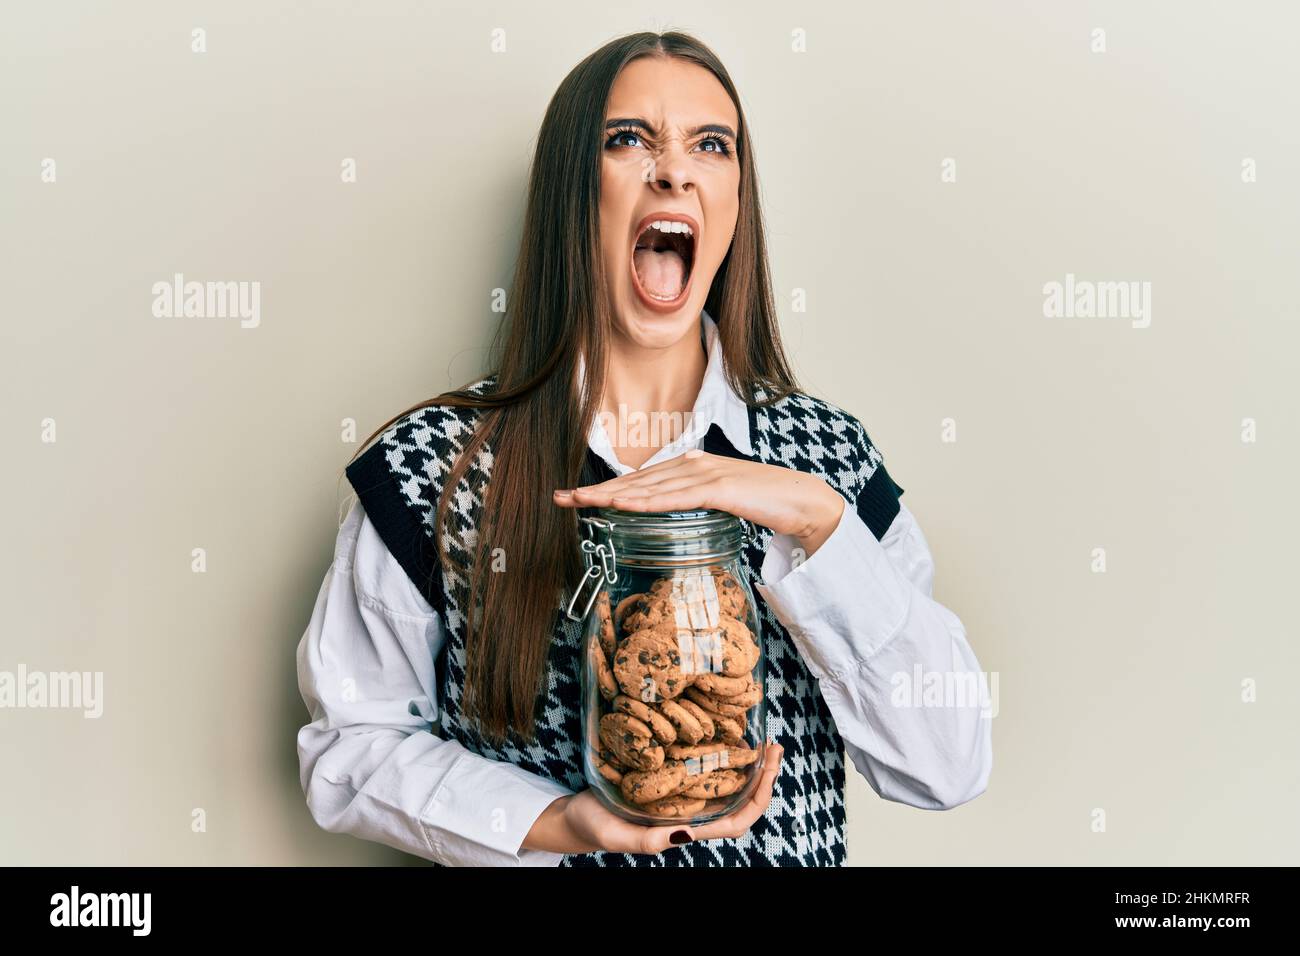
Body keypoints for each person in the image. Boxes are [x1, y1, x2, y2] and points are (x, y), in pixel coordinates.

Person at [296, 30, 992, 867]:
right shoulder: (432, 466)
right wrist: (557, 821)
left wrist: (815, 521)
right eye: (628, 140)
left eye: (711, 144)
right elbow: (350, 750)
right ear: (571, 192)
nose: (674, 171)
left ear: (736, 198)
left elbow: (948, 765)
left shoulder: (829, 458)